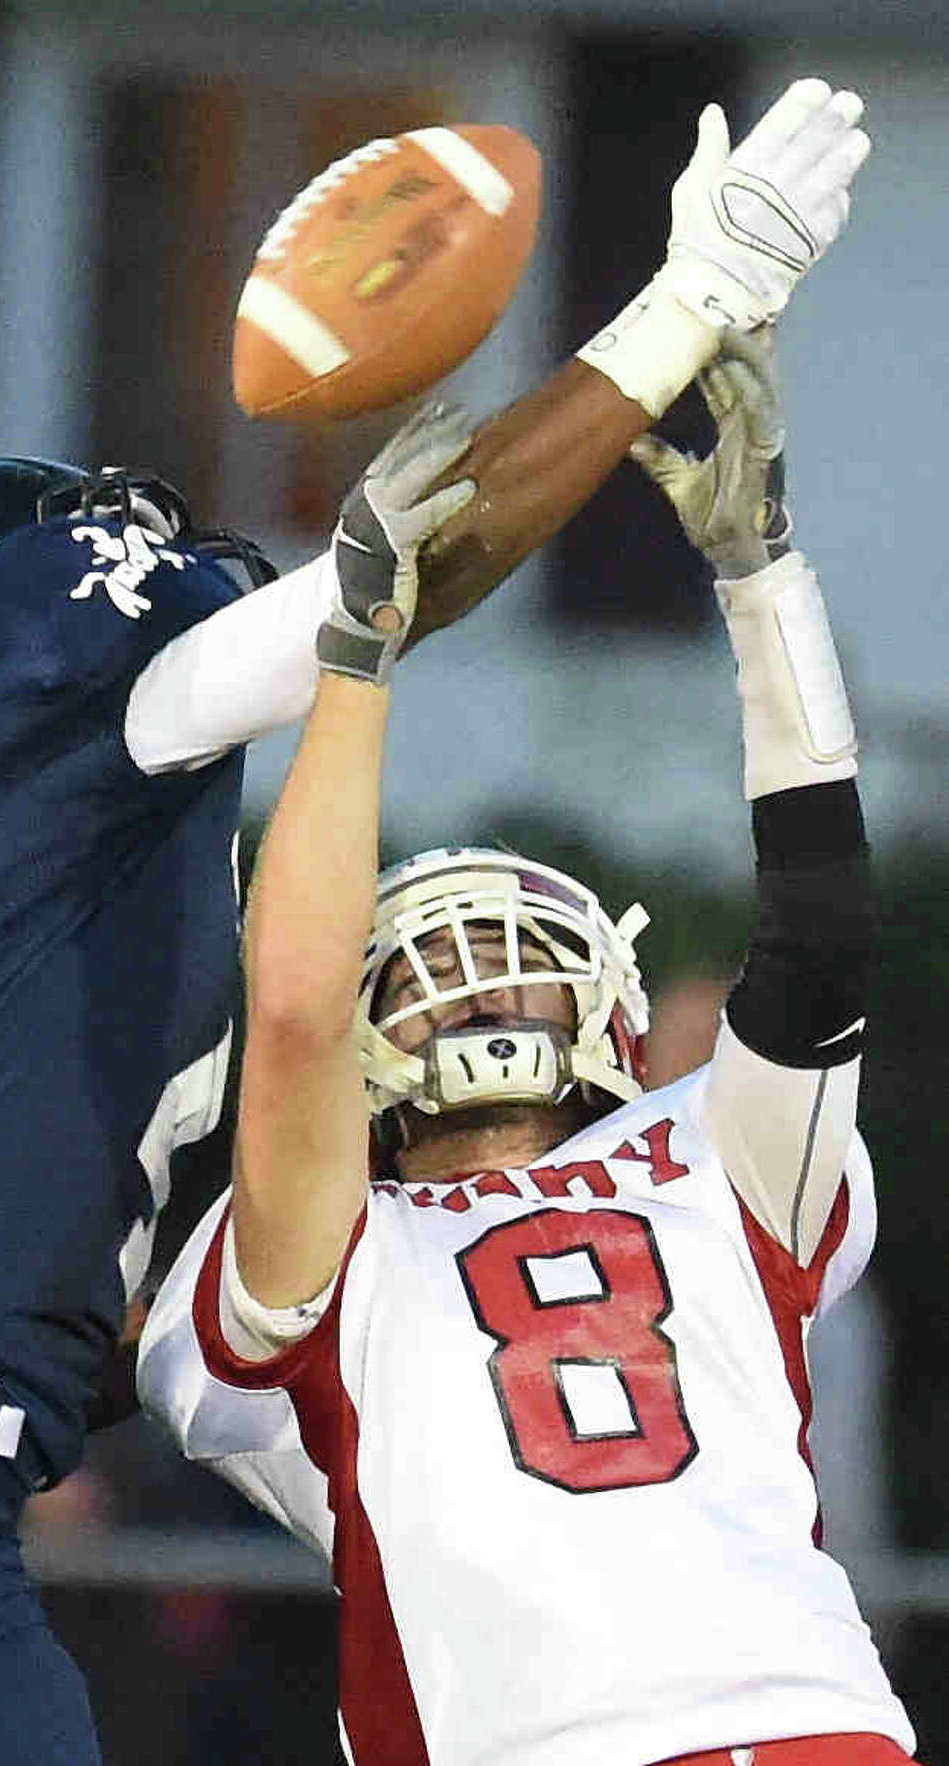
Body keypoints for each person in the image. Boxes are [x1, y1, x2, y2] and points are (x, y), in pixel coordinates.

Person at [0, 75, 867, 1766]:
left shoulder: (101, 843)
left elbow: (359, 611)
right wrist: (677, 316)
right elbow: (367, 595)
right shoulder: (16, 669)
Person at [138, 307, 921, 1766]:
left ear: (607, 1008)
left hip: (806, 1722)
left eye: (503, 955)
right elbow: (297, 1013)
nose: (482, 978)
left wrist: (767, 582)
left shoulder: (704, 1151)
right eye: (431, 963)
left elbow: (817, 950)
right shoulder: (335, 1240)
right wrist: (352, 653)